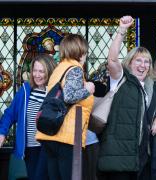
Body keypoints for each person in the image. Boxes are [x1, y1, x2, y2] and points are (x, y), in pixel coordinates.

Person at [97, 16, 156, 180]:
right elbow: (112, 60)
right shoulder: (121, 78)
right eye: (138, 60)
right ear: (129, 62)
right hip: (118, 155)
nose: (143, 65)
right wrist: (122, 30)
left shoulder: (151, 86)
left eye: (147, 61)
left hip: (141, 155)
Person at [35, 34, 95, 180]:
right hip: (67, 137)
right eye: (85, 51)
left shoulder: (59, 68)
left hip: (51, 134)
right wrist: (88, 89)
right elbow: (69, 96)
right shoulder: (74, 69)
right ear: (80, 51)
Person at [0, 54, 56, 180]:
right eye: (35, 70)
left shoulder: (55, 91)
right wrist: (2, 133)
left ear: (50, 71)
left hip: (47, 147)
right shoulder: (26, 90)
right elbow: (10, 113)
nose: (37, 75)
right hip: (30, 149)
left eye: (41, 71)